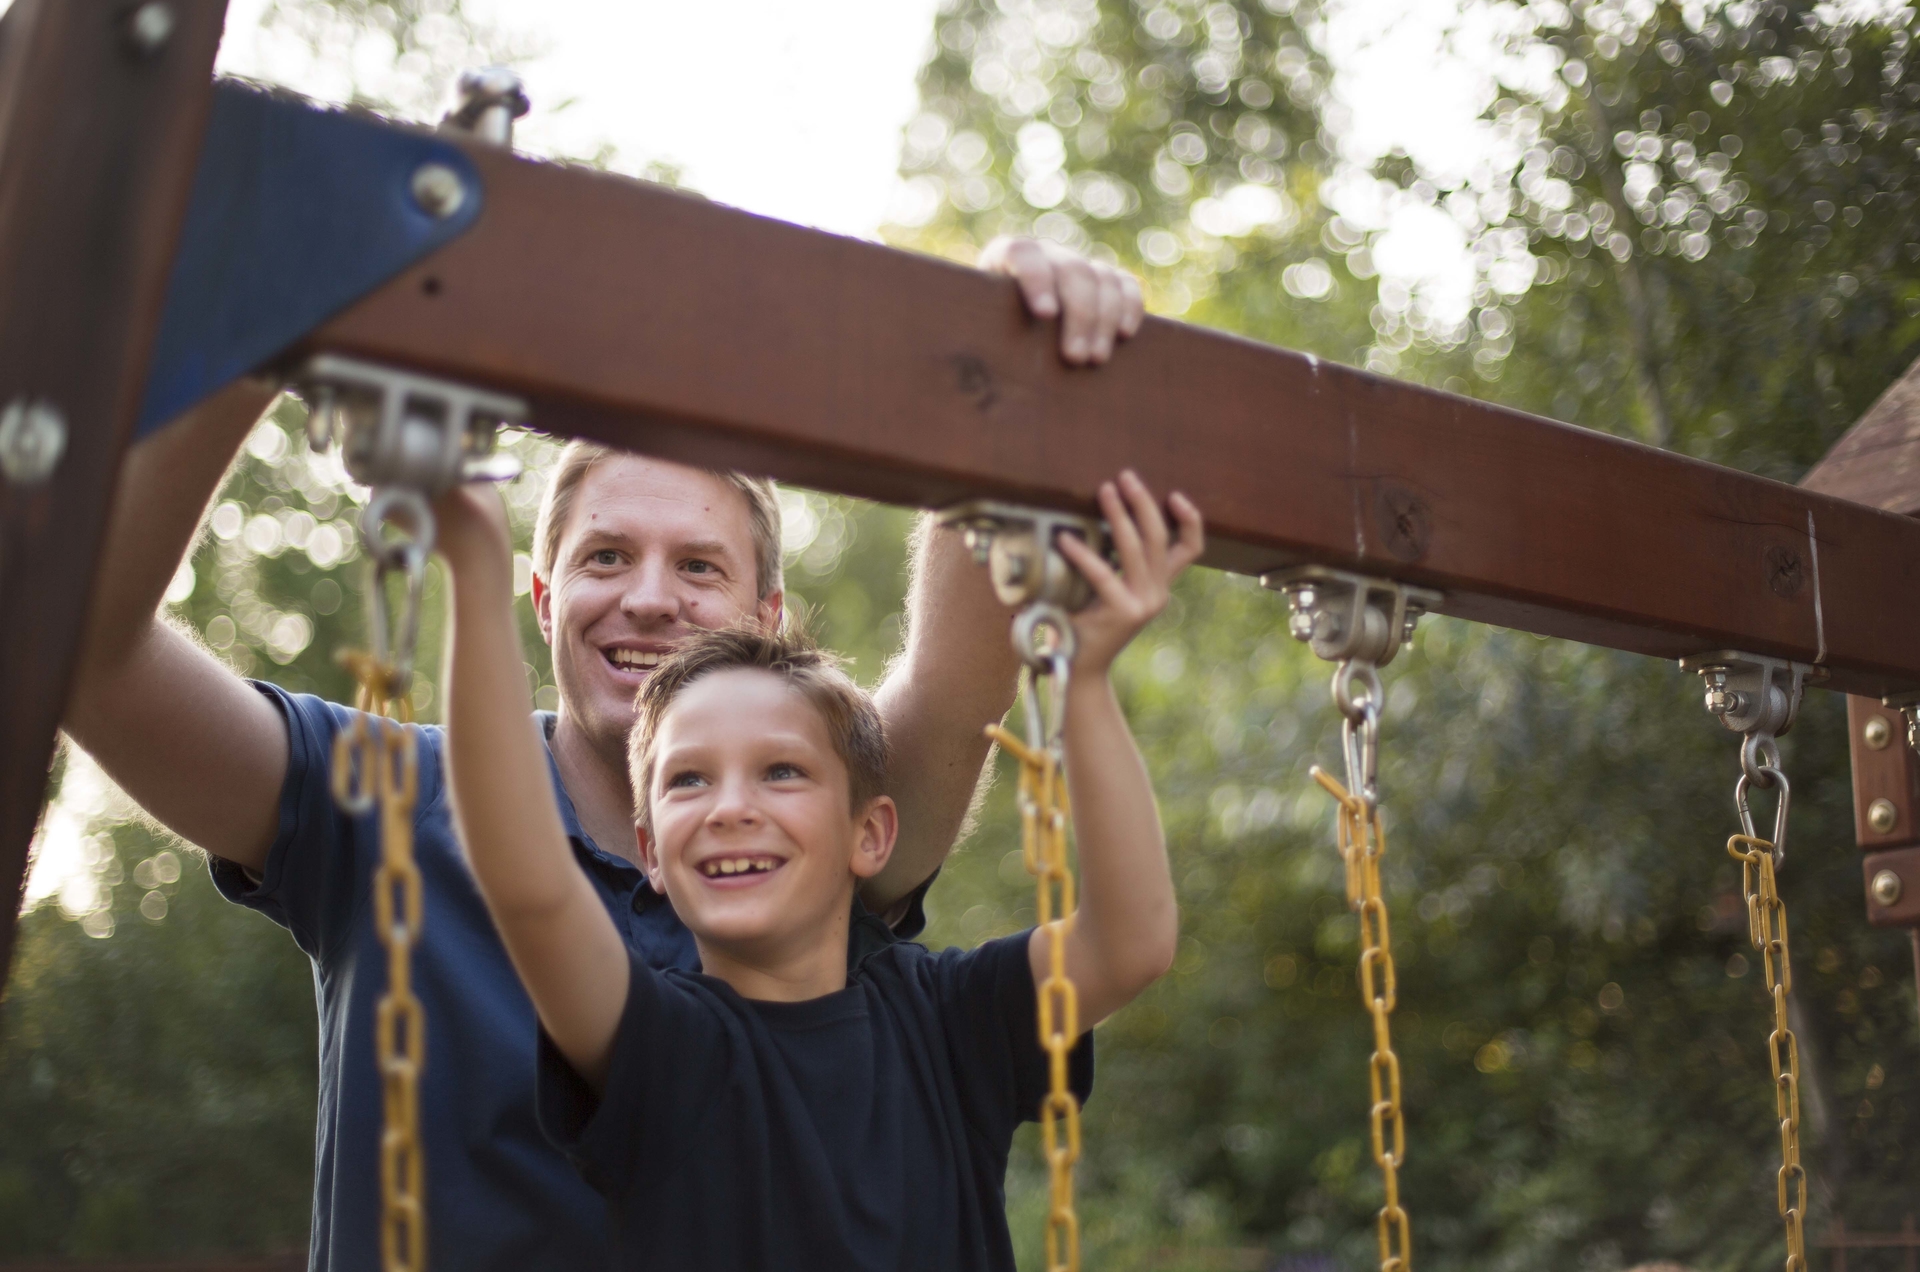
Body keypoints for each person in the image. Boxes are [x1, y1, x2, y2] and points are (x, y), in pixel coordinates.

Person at [59, 239, 1144, 1271]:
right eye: (607, 556)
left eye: (699, 565)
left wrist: (1007, 337)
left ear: (768, 617)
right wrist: (261, 322)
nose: (648, 595)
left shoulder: (806, 835)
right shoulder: (385, 798)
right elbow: (94, 658)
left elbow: (957, 689)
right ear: (542, 599)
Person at [433, 463, 1203, 1269]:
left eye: (782, 772)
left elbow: (1133, 941)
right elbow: (529, 888)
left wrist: (1084, 676)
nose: (731, 807)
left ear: (868, 836)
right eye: (690, 779)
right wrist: (477, 567)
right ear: (652, 851)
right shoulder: (660, 1050)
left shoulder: (951, 1022)